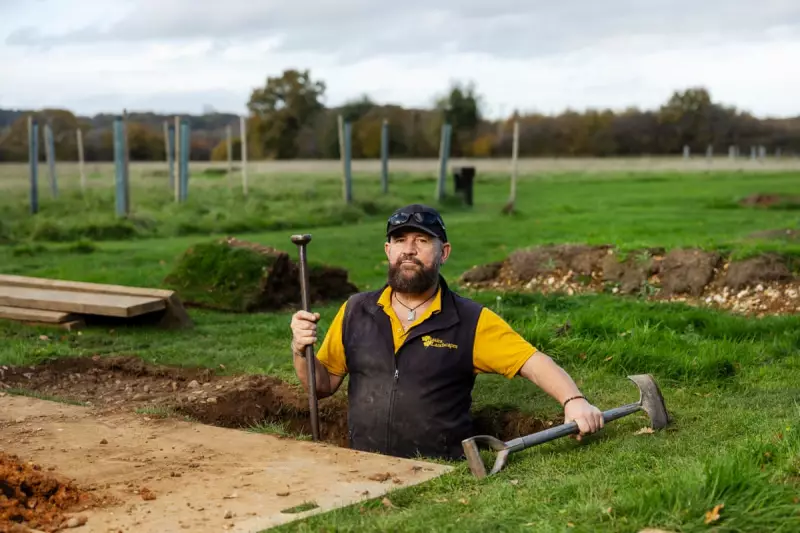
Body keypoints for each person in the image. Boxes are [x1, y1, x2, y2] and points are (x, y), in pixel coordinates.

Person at [289, 203, 604, 460]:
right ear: (388, 250)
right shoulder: (356, 310)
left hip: (436, 471)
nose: (409, 250)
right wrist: (300, 349)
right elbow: (321, 385)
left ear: (444, 252)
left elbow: (532, 362)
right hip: (363, 466)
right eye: (400, 240)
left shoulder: (470, 320)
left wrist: (573, 400)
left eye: (422, 241)